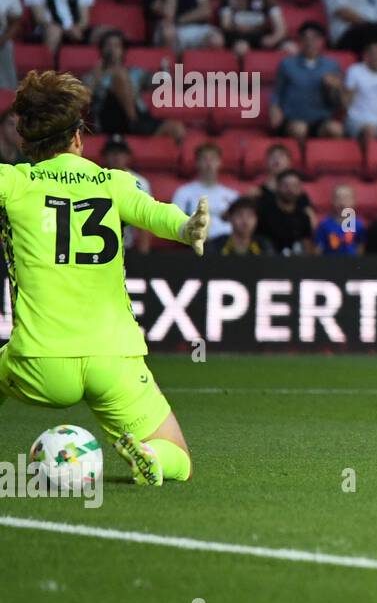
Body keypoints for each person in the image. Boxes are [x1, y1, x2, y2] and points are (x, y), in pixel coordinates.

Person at [0, 70, 209, 487]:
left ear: (25, 140)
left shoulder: (12, 182)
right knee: (180, 460)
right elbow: (153, 212)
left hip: (42, 361)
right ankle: (150, 455)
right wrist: (186, 227)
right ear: (78, 136)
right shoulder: (111, 183)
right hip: (114, 358)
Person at [173, 143, 242, 241]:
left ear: (220, 163)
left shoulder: (232, 195)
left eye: (213, 159)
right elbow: (177, 225)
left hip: (228, 246)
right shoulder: (183, 193)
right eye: (204, 159)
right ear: (197, 163)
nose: (209, 163)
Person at [258, 167, 315, 255]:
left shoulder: (303, 217)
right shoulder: (264, 213)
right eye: (286, 185)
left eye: (294, 186)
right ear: (277, 187)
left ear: (300, 189)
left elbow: (307, 244)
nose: (290, 189)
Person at [208, 197, 273, 256]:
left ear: (256, 219)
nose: (245, 220)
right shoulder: (216, 246)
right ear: (230, 218)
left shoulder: (264, 247)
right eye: (239, 214)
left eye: (250, 215)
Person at [313, 184, 366, 255]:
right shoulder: (324, 225)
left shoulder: (359, 226)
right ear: (332, 201)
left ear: (354, 201)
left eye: (346, 198)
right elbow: (318, 250)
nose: (342, 202)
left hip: (352, 264)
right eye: (338, 198)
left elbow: (361, 250)